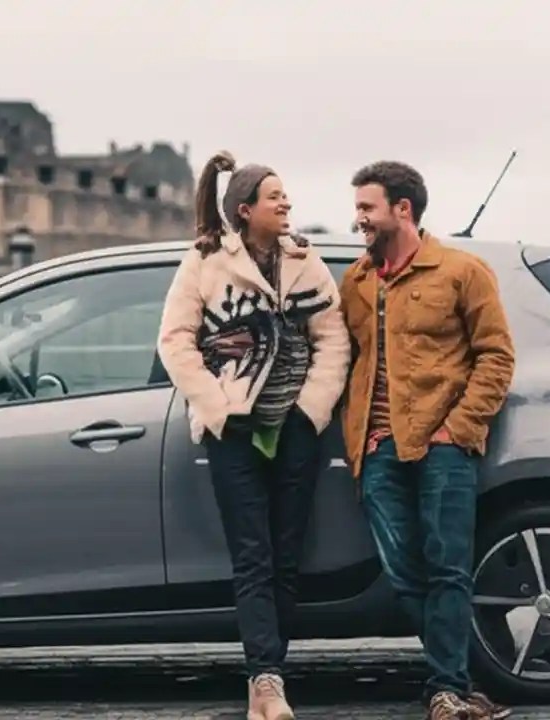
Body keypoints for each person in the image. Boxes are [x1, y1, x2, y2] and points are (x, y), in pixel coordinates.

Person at [157, 151, 351, 720]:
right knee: (253, 555)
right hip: (234, 430)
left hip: (296, 429)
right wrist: (220, 409)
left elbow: (332, 340)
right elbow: (176, 341)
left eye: (286, 195)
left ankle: (270, 678)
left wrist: (311, 410)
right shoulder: (204, 263)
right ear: (245, 211)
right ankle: (265, 680)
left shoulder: (305, 262)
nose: (286, 202)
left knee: (287, 555)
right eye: (274, 196)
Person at [338, 161, 516, 720]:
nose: (358, 218)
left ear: (403, 209)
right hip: (378, 449)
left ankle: (447, 690)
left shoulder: (462, 270)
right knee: (404, 572)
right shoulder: (357, 282)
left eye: (367, 208)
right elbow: (343, 360)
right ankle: (462, 680)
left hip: (443, 446)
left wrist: (456, 429)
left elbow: (497, 356)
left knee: (448, 567)